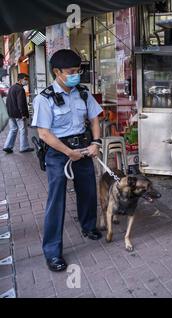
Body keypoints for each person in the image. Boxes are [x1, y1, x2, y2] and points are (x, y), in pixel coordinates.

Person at [32, 49, 104, 272]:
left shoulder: (83, 93)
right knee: (57, 200)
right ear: (57, 72)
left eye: (78, 70)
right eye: (71, 72)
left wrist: (96, 143)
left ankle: (89, 226)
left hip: (83, 147)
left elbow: (93, 119)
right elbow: (44, 134)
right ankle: (52, 252)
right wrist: (67, 152)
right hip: (57, 152)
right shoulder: (44, 99)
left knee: (88, 190)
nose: (76, 75)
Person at [3, 73, 34, 154]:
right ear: (21, 79)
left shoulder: (12, 87)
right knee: (23, 130)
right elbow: (21, 103)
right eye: (26, 80)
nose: (27, 82)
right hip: (19, 114)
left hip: (11, 113)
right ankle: (24, 147)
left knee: (13, 129)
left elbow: (8, 101)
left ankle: (7, 146)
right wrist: (23, 114)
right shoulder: (20, 89)